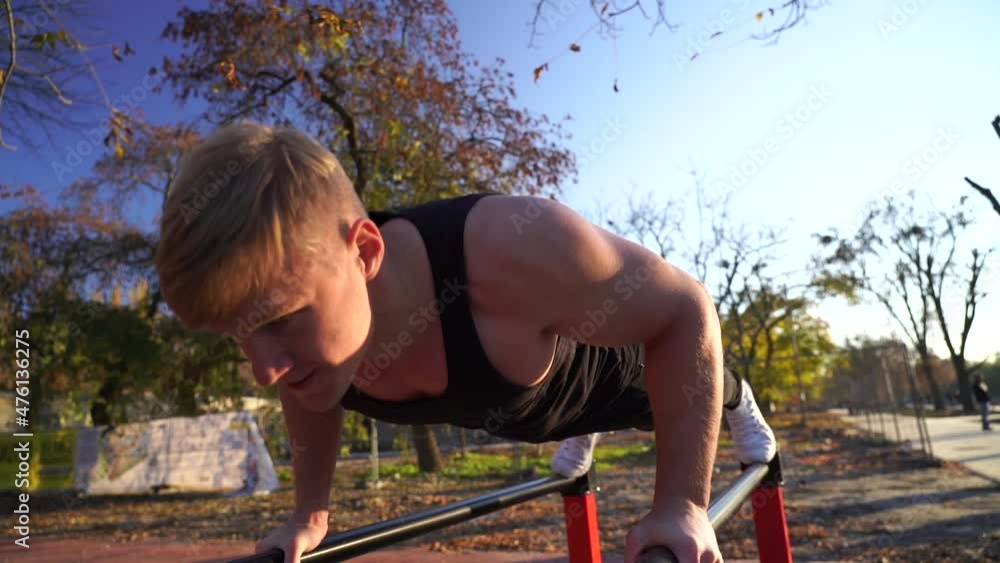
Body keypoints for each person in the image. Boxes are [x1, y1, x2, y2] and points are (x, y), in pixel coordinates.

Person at [155, 122, 777, 563]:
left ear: (365, 253)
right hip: (537, 401)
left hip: (629, 372)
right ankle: (578, 438)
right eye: (240, 336)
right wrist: (309, 516)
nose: (264, 370)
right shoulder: (312, 353)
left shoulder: (515, 248)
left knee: (708, 385)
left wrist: (681, 502)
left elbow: (686, 309)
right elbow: (308, 398)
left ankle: (741, 402)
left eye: (282, 318)